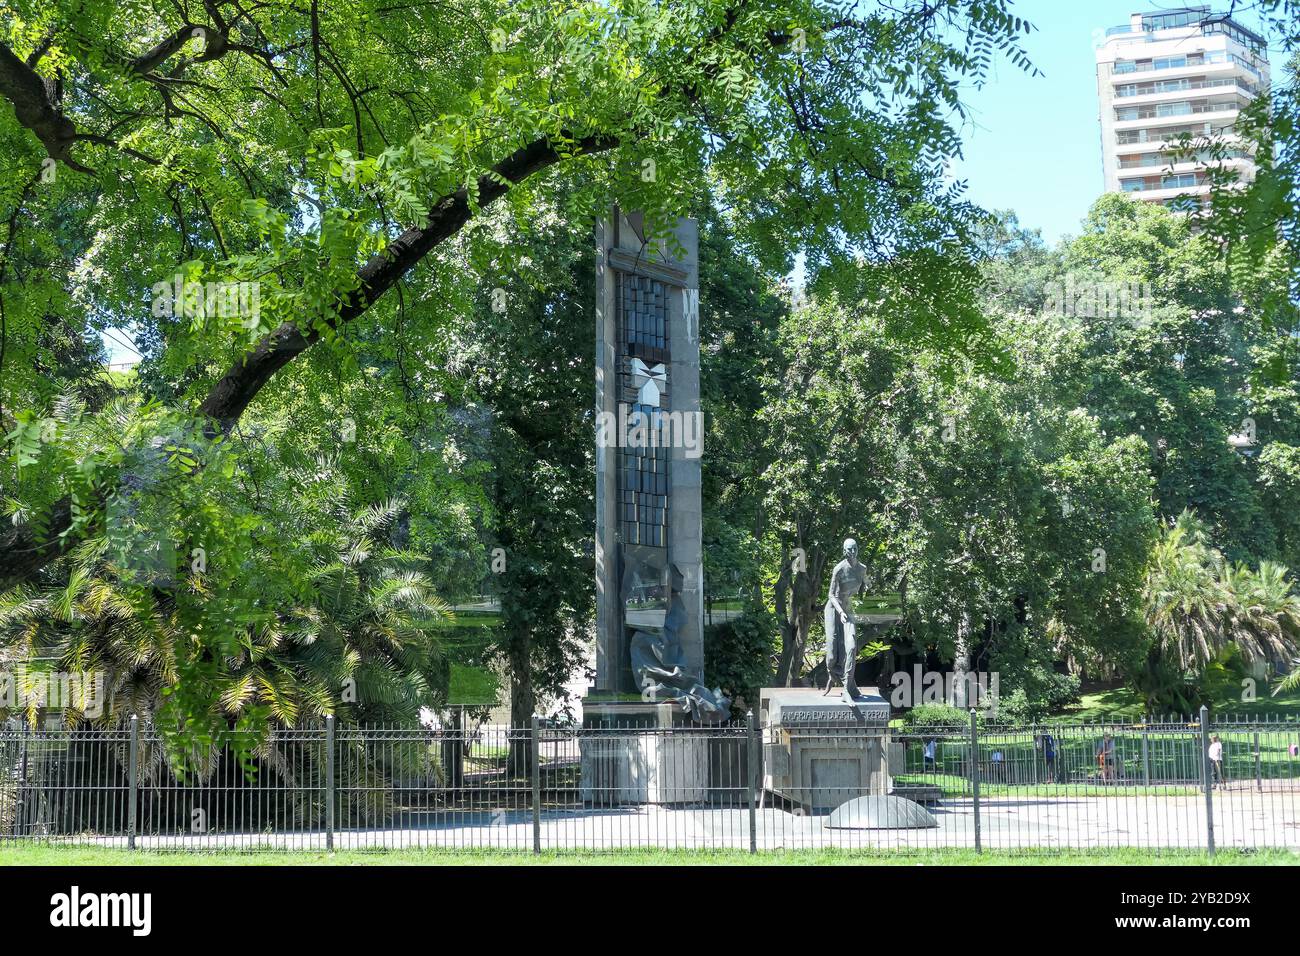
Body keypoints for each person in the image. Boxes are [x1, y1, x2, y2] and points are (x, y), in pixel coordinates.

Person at [822, 538, 869, 702]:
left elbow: (864, 587)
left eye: (855, 548)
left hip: (848, 611)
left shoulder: (862, 569)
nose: (853, 551)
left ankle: (847, 688)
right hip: (833, 609)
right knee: (832, 652)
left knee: (851, 647)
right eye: (849, 549)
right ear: (844, 551)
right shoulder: (839, 569)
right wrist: (840, 612)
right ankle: (832, 674)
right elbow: (831, 595)